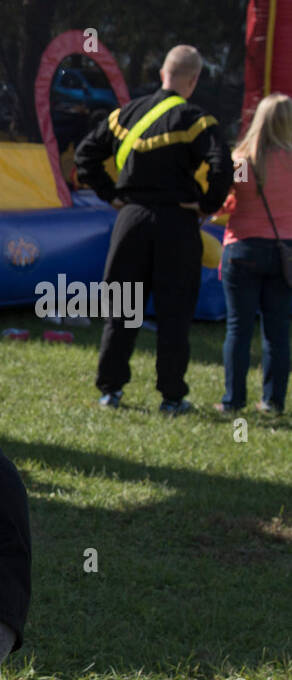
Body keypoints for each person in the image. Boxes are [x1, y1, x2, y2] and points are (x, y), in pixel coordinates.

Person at [74, 45, 233, 415]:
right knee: (174, 313)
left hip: (131, 220)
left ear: (163, 71)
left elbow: (85, 154)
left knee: (123, 309)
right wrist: (207, 205)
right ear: (192, 80)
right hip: (176, 223)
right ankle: (172, 397)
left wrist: (112, 196)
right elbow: (222, 164)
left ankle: (110, 391)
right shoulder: (196, 119)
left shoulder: (124, 114)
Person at [213, 93, 292, 415]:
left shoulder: (244, 163)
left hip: (243, 248)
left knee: (238, 328)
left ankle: (234, 401)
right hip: (284, 252)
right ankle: (273, 401)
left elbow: (229, 202)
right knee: (277, 331)